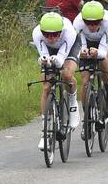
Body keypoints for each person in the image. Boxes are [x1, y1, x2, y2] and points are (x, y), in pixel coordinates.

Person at [64, 1, 108, 131]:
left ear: (101, 20)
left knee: (103, 60)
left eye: (96, 23)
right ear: (83, 20)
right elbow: (78, 42)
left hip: (105, 42)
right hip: (86, 41)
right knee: (85, 81)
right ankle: (86, 117)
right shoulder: (78, 22)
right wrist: (83, 51)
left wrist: (97, 53)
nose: (92, 26)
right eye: (88, 23)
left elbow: (103, 50)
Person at [31, 11, 77, 150]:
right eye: (47, 35)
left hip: (69, 49)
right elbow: (44, 55)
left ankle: (72, 103)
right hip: (50, 51)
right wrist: (44, 60)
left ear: (61, 31)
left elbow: (61, 57)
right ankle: (45, 132)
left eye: (55, 34)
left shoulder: (69, 32)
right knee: (46, 86)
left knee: (66, 75)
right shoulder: (37, 33)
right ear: (42, 32)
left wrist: (58, 60)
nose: (51, 38)